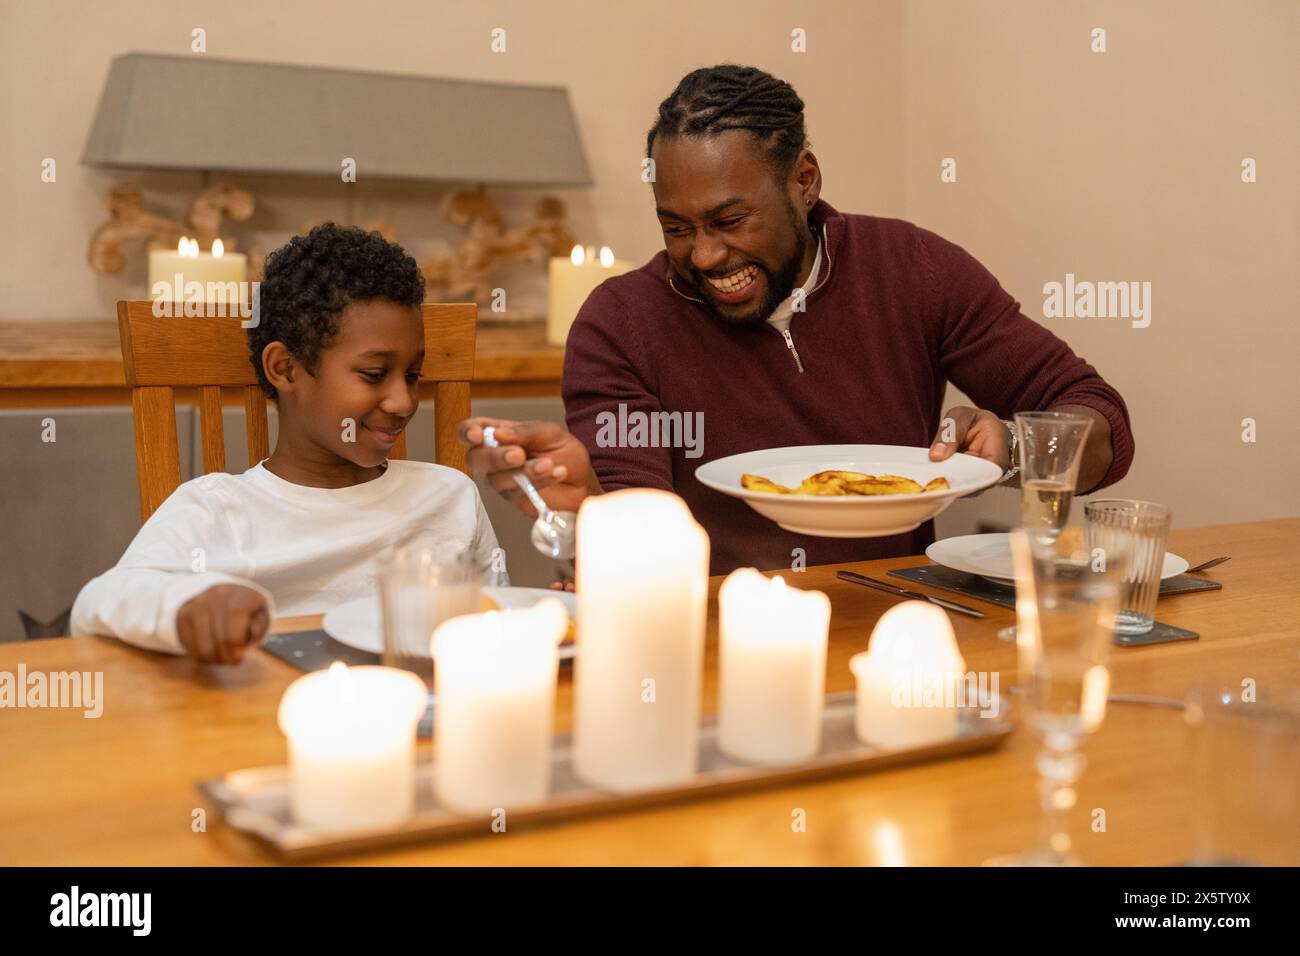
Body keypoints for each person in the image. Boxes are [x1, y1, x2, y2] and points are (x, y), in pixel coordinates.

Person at [461, 64, 1133, 577]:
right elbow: (640, 522)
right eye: (676, 227)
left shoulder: (912, 269)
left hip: (899, 619)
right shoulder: (622, 323)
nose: (704, 254)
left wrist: (1019, 447)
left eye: (729, 221)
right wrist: (595, 499)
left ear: (804, 181)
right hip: (718, 633)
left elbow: (1101, 421)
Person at [72, 224, 503, 663]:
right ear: (285, 369)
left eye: (413, 375)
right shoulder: (218, 512)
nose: (403, 400)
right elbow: (95, 606)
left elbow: (496, 626)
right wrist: (188, 604)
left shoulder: (449, 497)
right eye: (374, 375)